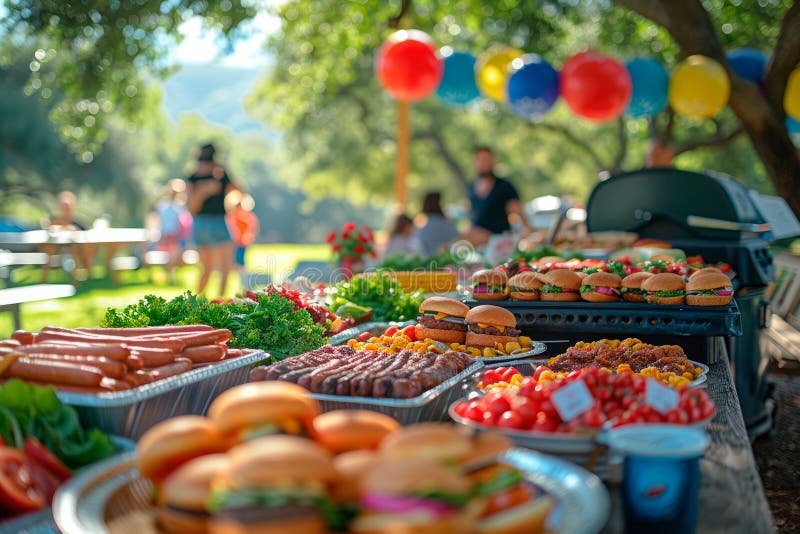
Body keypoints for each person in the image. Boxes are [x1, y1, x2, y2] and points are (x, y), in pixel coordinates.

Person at [186, 143, 240, 296]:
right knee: (224, 268)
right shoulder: (219, 173)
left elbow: (191, 209)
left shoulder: (195, 175)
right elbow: (240, 190)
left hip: (201, 224)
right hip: (216, 222)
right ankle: (219, 303)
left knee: (208, 269)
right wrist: (205, 191)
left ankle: (195, 303)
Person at [466, 146, 530, 246]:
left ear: (493, 161)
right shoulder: (470, 188)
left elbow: (519, 214)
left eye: (486, 159)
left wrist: (527, 233)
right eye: (480, 160)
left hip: (499, 243)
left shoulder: (505, 186)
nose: (483, 163)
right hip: (476, 245)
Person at [40, 191, 94, 282]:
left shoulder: (78, 221)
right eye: (63, 206)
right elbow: (47, 228)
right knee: (48, 249)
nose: (65, 209)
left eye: (67, 207)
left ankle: (83, 277)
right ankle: (43, 278)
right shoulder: (54, 220)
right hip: (56, 248)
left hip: (76, 249)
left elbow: (85, 234)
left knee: (84, 249)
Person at [155, 179, 189, 282]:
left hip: (178, 235)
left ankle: (172, 275)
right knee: (172, 255)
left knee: (177, 256)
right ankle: (170, 276)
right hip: (169, 234)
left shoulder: (180, 206)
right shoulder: (164, 205)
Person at [225, 191, 260, 289]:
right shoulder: (233, 215)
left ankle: (244, 284)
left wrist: (247, 236)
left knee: (240, 264)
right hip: (234, 243)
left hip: (241, 243)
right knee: (233, 264)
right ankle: (240, 283)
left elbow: (252, 227)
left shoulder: (246, 216)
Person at [415, 191, 459, 257]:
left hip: (428, 261)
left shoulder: (422, 223)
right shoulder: (445, 223)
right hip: (446, 260)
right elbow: (457, 237)